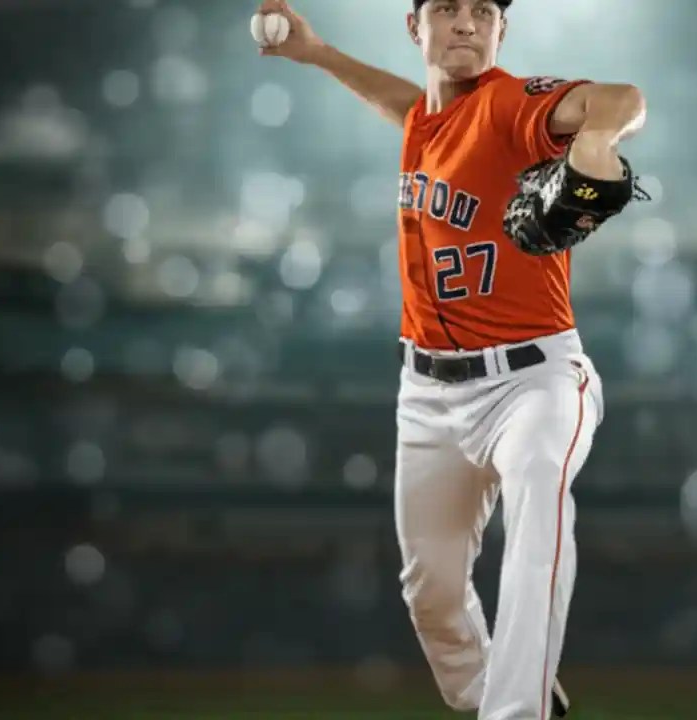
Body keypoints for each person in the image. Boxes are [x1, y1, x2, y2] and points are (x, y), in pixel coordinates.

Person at [254, 1, 647, 717]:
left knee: (537, 512)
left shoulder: (509, 105)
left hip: (535, 382)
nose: (465, 23)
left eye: (482, 11)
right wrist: (317, 54)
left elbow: (623, 100)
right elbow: (403, 101)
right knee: (431, 591)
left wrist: (595, 141)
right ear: (416, 27)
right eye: (446, 9)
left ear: (501, 32)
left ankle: (516, 712)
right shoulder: (425, 123)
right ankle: (505, 697)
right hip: (427, 392)